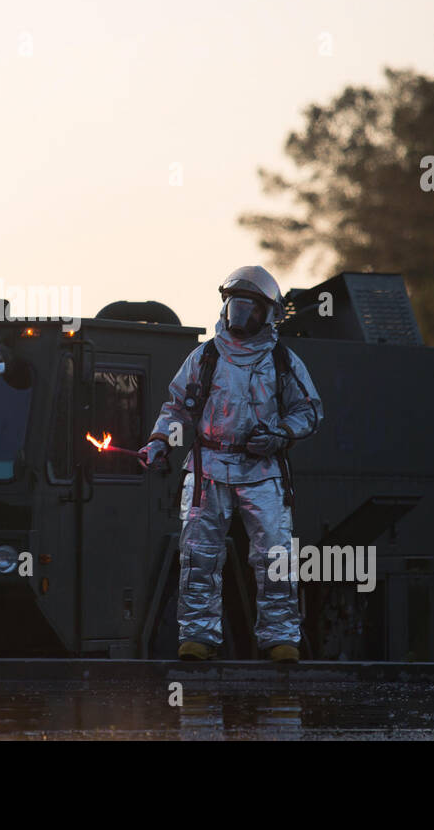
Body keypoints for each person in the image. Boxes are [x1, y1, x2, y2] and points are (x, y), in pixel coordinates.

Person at [138, 266, 323, 663]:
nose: (239, 316)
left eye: (249, 309)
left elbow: (308, 410)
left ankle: (280, 639)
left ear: (267, 313)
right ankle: (198, 638)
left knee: (274, 556)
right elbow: (176, 409)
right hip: (208, 469)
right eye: (234, 306)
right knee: (198, 556)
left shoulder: (282, 360)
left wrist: (279, 435)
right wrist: (159, 442)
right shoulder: (205, 356)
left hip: (263, 470)